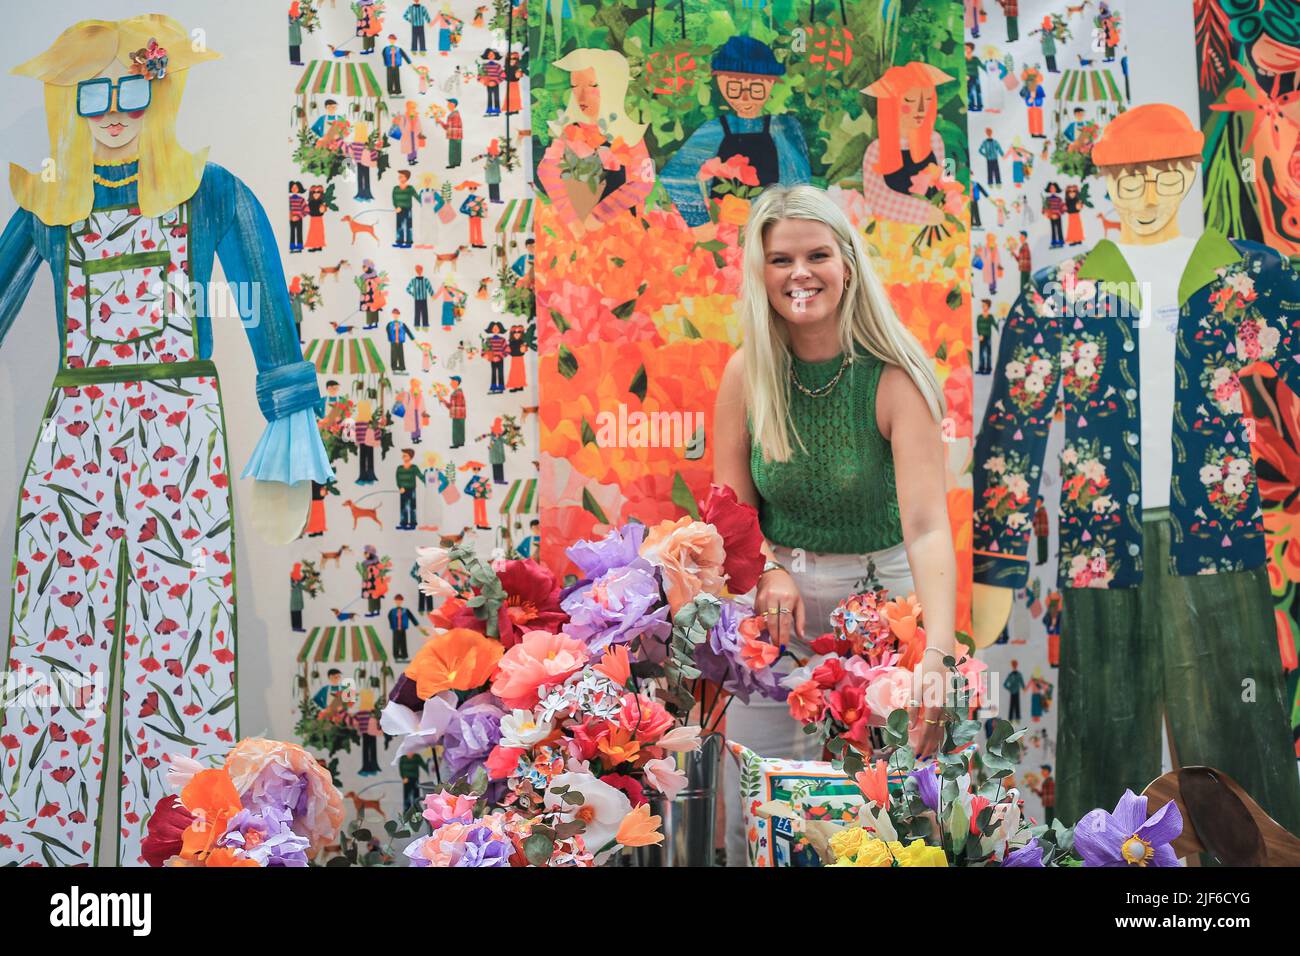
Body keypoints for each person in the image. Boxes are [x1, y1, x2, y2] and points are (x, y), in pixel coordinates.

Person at [0, 14, 334, 867]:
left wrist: (287, 408)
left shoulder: (209, 191)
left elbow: (259, 292)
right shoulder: (46, 202)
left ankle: (180, 857)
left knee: (183, 651)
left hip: (178, 432)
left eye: (130, 91)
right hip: (76, 432)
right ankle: (43, 865)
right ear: (68, 104)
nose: (112, 112)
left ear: (161, 92)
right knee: (50, 651)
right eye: (93, 94)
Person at [972, 104, 1300, 834]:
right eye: (1128, 180)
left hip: (1217, 531)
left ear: (1187, 175)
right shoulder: (1062, 292)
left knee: (1237, 726)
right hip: (1100, 540)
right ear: (1106, 185)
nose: (1146, 196)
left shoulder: (1248, 275)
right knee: (1104, 725)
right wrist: (995, 567)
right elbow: (1011, 432)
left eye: (1162, 177)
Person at [713, 184, 957, 865]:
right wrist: (766, 566)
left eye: (818, 254)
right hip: (776, 615)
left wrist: (938, 654)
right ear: (758, 272)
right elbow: (729, 516)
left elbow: (928, 526)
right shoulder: (746, 375)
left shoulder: (893, 377)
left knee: (884, 815)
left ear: (847, 262)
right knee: (758, 811)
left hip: (882, 607)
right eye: (780, 258)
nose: (800, 273)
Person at [660, 36, 810, 229]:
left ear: (771, 83)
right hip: (726, 232)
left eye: (756, 89)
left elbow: (800, 185)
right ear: (720, 82)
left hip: (773, 228)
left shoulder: (785, 128)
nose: (745, 98)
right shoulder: (714, 129)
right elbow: (676, 175)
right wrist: (699, 222)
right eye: (734, 88)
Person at [537, 49, 655, 238]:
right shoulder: (571, 131)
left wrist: (599, 216)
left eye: (593, 86)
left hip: (621, 231)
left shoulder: (628, 133)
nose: (581, 96)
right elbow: (546, 170)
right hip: (576, 234)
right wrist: (572, 221)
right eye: (574, 85)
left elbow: (644, 182)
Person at [859, 62, 954, 226]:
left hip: (936, 225)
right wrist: (924, 213)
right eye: (910, 100)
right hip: (893, 231)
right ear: (892, 103)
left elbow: (947, 174)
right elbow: (877, 199)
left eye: (928, 100)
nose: (921, 109)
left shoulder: (935, 140)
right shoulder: (876, 150)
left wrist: (952, 193)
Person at [396, 449, 426, 531]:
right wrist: (400, 487)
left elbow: (421, 476)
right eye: (403, 455)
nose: (403, 456)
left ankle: (413, 523)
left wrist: (429, 484)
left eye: (405, 455)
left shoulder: (414, 468)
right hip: (403, 490)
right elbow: (398, 479)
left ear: (410, 457)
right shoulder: (399, 468)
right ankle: (403, 523)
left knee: (412, 507)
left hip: (411, 489)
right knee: (403, 507)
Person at [414, 173, 442, 249]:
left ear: (431, 182)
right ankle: (423, 242)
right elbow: (420, 201)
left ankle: (432, 243)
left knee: (432, 226)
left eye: (428, 181)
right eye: (425, 181)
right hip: (423, 212)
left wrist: (434, 209)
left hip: (431, 212)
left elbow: (441, 201)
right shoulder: (421, 192)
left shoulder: (434, 192)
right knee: (423, 226)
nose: (427, 182)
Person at [393, 169, 417, 248]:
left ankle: (408, 242)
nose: (400, 177)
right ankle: (399, 241)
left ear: (406, 178)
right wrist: (396, 207)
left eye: (402, 176)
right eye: (399, 176)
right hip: (399, 209)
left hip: (407, 209)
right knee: (399, 225)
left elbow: (417, 197)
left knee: (408, 226)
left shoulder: (410, 188)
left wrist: (425, 201)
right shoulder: (395, 188)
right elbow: (394, 199)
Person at [388, 593, 417, 660]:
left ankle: (404, 655)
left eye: (400, 600)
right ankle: (396, 655)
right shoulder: (392, 611)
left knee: (403, 642)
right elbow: (390, 619)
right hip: (395, 629)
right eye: (397, 600)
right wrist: (392, 626)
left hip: (403, 628)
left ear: (402, 601)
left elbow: (412, 618)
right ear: (395, 601)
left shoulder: (405, 610)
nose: (398, 602)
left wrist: (418, 627)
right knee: (396, 642)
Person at [386, 308, 415, 372]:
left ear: (399, 315)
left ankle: (402, 366)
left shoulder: (402, 324)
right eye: (394, 314)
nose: (395, 316)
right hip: (393, 342)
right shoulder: (389, 324)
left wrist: (412, 338)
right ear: (392, 315)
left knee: (400, 354)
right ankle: (394, 367)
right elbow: (388, 332)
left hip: (400, 341)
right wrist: (390, 338)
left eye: (397, 314)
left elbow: (408, 331)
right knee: (393, 354)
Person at [442, 375, 467, 447]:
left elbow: (452, 406)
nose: (450, 383)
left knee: (456, 430)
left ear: (456, 382)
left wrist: (443, 400)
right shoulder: (457, 392)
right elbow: (451, 406)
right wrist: (443, 400)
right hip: (460, 415)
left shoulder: (457, 393)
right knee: (460, 429)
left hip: (457, 415)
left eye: (452, 381)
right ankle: (461, 442)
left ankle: (456, 443)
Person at [438, 97, 463, 167]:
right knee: (458, 149)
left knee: (452, 150)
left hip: (453, 135)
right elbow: (449, 127)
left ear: (453, 104)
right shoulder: (456, 114)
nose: (447, 105)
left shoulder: (452, 115)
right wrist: (440, 122)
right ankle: (457, 162)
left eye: (448, 104)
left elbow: (448, 127)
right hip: (458, 136)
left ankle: (452, 164)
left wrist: (440, 122)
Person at [484, 320, 507, 393]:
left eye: (497, 328)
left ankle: (501, 387)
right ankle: (493, 387)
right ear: (491, 329)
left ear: (500, 329)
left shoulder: (502, 340)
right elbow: (485, 350)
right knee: (493, 373)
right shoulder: (488, 340)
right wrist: (489, 357)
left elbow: (507, 350)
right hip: (492, 359)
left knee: (500, 373)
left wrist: (500, 357)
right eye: (494, 328)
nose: (495, 330)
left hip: (500, 359)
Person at [408, 264, 434, 328]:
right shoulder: (413, 280)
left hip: (423, 299)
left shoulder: (425, 280)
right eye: (417, 270)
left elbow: (430, 288)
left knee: (424, 312)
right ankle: (417, 324)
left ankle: (425, 324)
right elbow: (408, 289)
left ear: (422, 270)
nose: (419, 271)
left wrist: (432, 295)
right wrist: (413, 294)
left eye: (420, 269)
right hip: (417, 299)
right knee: (417, 312)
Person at [976, 298, 998, 375]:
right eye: (982, 305)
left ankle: (988, 369)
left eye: (984, 305)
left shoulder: (990, 317)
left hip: (988, 337)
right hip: (982, 337)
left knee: (988, 353)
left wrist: (1000, 327)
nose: (983, 306)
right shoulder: (979, 317)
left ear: (988, 306)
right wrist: (979, 335)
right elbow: (978, 327)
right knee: (981, 353)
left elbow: (995, 325)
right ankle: (981, 368)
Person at [479, 48, 503, 115]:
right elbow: (480, 76)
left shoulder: (498, 66)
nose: (491, 56)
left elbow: (502, 76)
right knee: (489, 97)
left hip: (495, 84)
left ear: (495, 55)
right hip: (488, 84)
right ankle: (489, 110)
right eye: (489, 54)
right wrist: (483, 81)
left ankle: (497, 110)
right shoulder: (484, 66)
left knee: (496, 97)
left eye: (492, 54)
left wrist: (496, 82)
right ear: (487, 55)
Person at [305, 183, 329, 251]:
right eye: (314, 192)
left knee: (319, 233)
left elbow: (322, 211)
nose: (316, 194)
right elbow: (310, 211)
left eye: (318, 192)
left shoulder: (320, 202)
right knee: (313, 233)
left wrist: (323, 210)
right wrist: (319, 211)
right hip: (313, 219)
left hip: (319, 219)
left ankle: (319, 246)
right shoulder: (311, 202)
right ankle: (314, 246)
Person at [1042, 181, 1064, 248]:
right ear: (1049, 189)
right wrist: (1047, 214)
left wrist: (1058, 214)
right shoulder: (1047, 199)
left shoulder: (1059, 199)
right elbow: (1044, 208)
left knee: (1059, 228)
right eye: (1051, 188)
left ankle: (1060, 241)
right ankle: (1054, 241)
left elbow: (1062, 208)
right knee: (1053, 229)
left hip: (1058, 216)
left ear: (1056, 189)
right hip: (1051, 216)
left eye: (1054, 188)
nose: (1052, 190)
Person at [289, 180, 307, 251]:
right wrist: (291, 217)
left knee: (299, 232)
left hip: (299, 218)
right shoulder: (289, 199)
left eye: (296, 188)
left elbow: (306, 210)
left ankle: (299, 246)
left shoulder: (301, 199)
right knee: (292, 232)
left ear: (299, 189)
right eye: (293, 187)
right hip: (291, 218)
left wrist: (299, 216)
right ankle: (292, 246)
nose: (294, 189)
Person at [965, 42, 982, 112]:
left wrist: (989, 71)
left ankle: (979, 106)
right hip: (968, 77)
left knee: (978, 92)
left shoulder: (975, 59)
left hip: (975, 76)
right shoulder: (964, 59)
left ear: (971, 49)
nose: (965, 49)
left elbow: (982, 66)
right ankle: (971, 105)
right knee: (969, 92)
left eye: (967, 48)